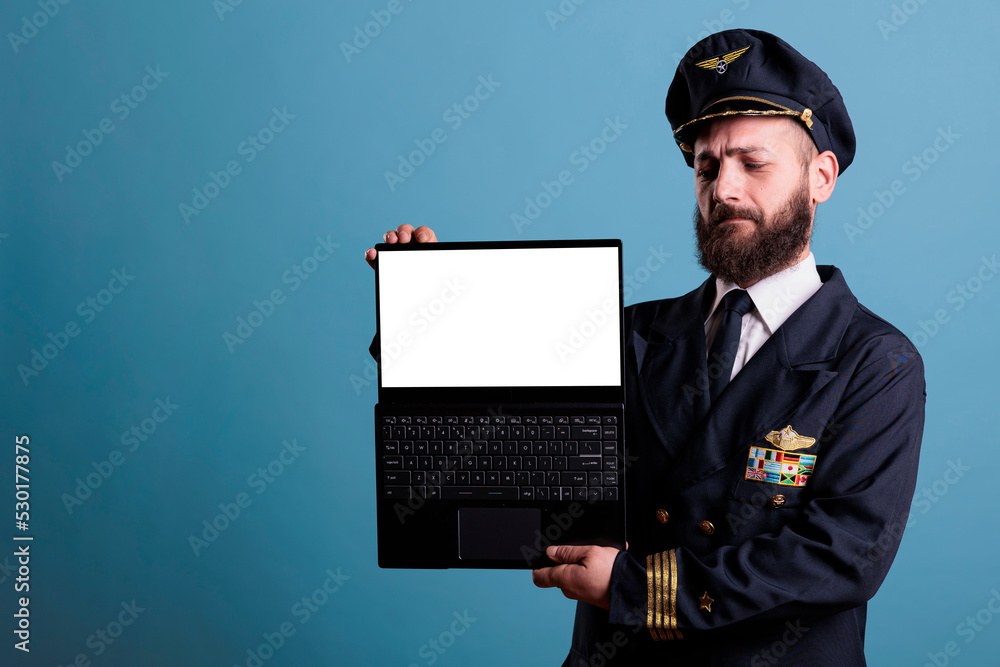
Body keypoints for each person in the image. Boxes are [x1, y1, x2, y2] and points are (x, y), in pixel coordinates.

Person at [366, 29, 925, 666]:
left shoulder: (876, 363)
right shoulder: (631, 332)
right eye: (706, 167)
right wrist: (421, 306)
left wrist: (633, 587)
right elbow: (500, 421)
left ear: (820, 176)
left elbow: (842, 557)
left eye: (752, 163)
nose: (724, 190)